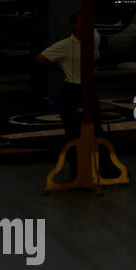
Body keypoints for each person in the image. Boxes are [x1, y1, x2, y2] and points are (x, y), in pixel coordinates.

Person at [36, 12, 100, 169]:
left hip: (89, 89)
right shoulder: (64, 45)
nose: (85, 26)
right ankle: (76, 169)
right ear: (73, 26)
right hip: (72, 90)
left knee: (96, 128)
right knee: (72, 131)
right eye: (80, 22)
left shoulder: (93, 42)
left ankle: (98, 166)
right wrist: (60, 69)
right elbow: (40, 58)